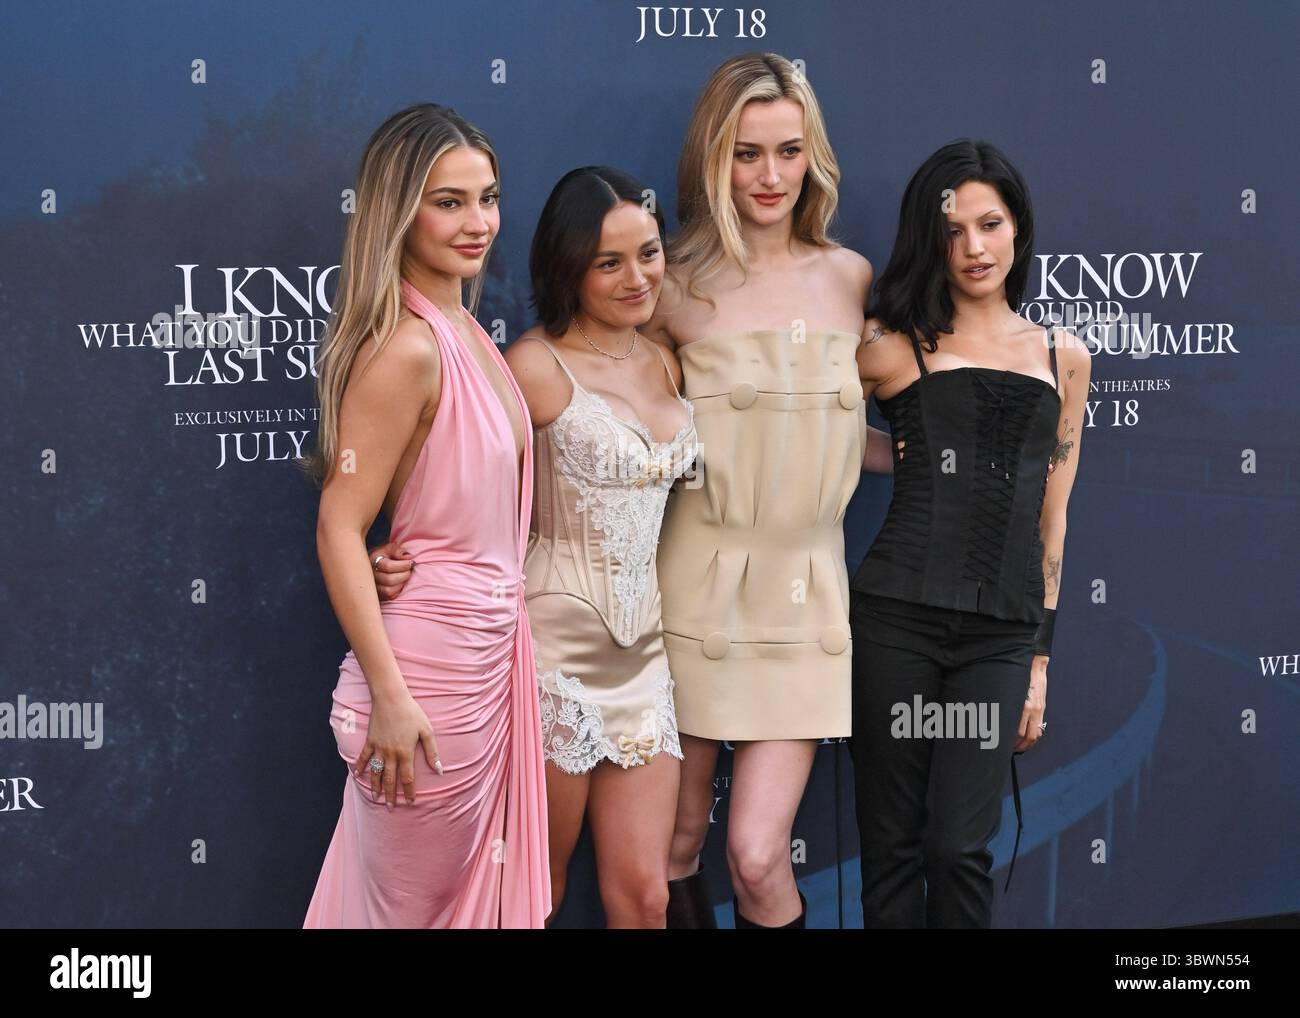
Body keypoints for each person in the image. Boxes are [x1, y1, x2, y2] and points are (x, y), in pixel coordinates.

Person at [367, 166, 699, 928]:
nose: (635, 276)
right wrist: (399, 549)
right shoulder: (532, 368)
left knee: (646, 898)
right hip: (550, 663)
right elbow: (456, 476)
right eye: (607, 262)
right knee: (531, 894)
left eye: (647, 253)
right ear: (567, 268)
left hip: (646, 663)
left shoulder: (666, 360)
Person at [642, 52, 894, 929]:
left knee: (756, 855)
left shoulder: (851, 278)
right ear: (714, 159)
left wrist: (958, 457)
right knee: (668, 853)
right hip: (693, 582)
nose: (770, 176)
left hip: (806, 592)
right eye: (746, 153)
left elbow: (840, 435)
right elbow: (611, 431)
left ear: (813, 157)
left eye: (789, 151)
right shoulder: (667, 285)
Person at [301, 103, 550, 928]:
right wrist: (390, 697)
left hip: (488, 665)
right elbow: (340, 524)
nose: (477, 222)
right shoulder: (408, 347)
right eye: (449, 202)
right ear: (397, 210)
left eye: (488, 197)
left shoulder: (466, 328)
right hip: (426, 690)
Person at [848, 139, 1090, 928]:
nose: (973, 247)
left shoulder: (1065, 354)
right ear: (930, 237)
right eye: (953, 230)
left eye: (990, 224)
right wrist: (895, 452)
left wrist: (1041, 663)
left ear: (1018, 228)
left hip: (999, 637)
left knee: (959, 848)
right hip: (894, 623)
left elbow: (1053, 515)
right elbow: (807, 438)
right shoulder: (890, 343)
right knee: (892, 850)